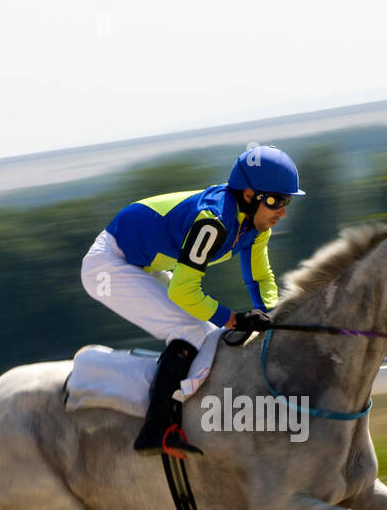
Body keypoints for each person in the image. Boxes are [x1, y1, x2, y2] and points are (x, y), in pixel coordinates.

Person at [80, 145, 303, 455]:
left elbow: (259, 277)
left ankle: (171, 412)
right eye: (277, 201)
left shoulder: (256, 224)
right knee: (193, 331)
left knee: (207, 336)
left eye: (287, 201)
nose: (283, 211)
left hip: (142, 263)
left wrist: (273, 316)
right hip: (106, 267)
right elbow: (183, 291)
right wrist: (234, 319)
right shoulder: (213, 221)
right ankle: (155, 429)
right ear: (251, 196)